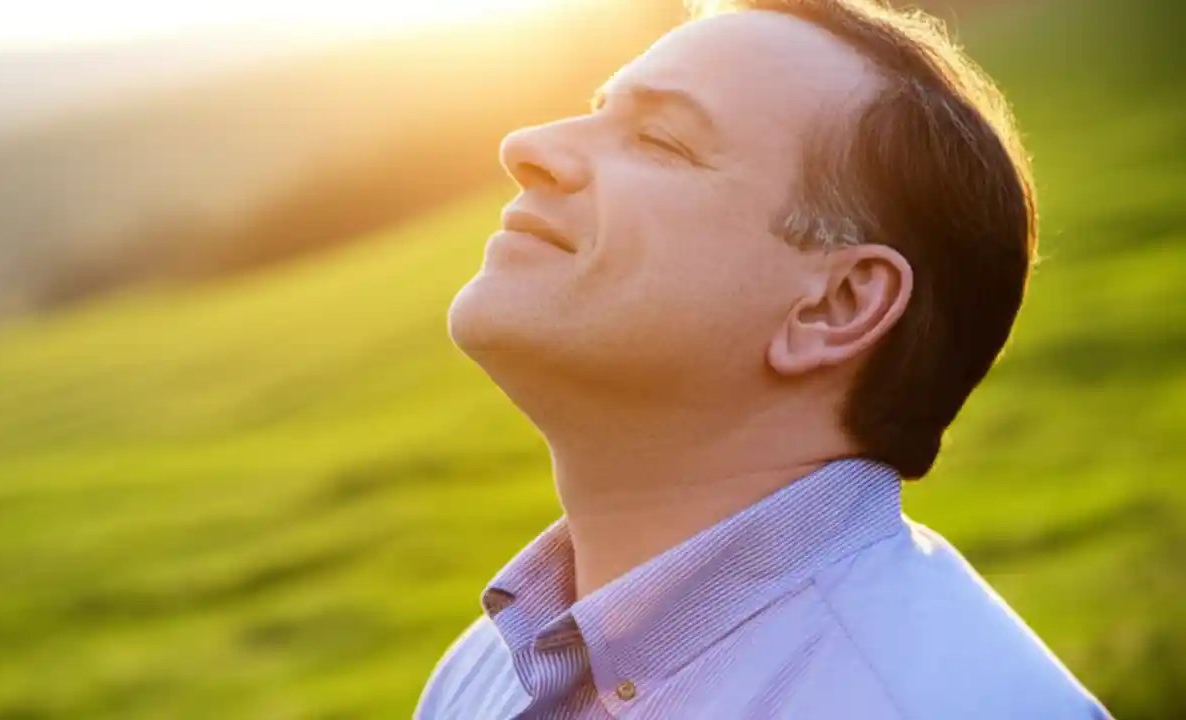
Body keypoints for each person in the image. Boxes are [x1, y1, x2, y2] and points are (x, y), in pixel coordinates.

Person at [416, 0, 1111, 717]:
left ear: (835, 306)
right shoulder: (477, 676)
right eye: (595, 111)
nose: (527, 144)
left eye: (661, 139)